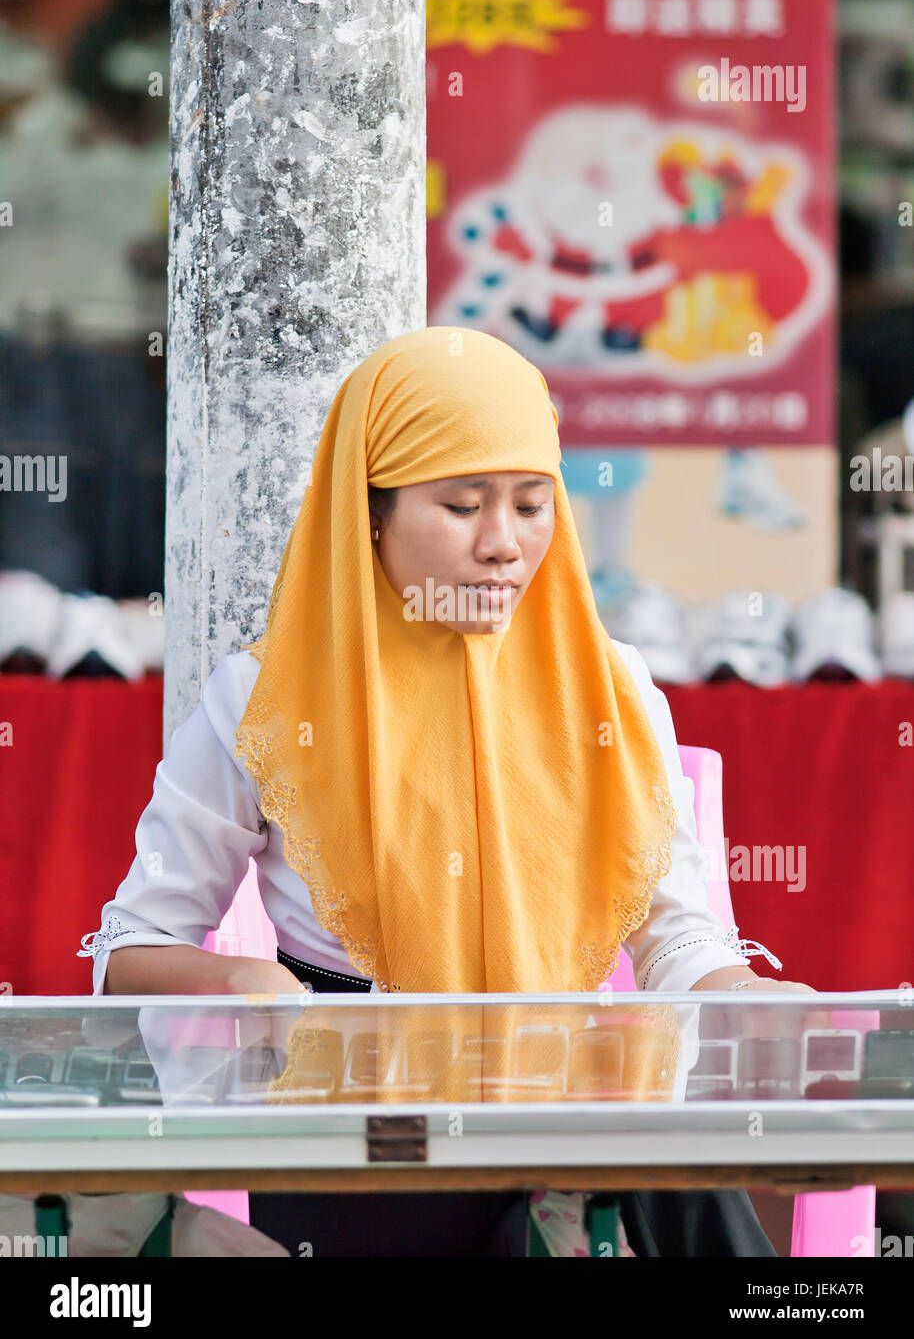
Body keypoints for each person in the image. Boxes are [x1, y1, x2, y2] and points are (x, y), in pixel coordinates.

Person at [80, 326, 814, 1256]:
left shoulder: (614, 691)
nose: (505, 545)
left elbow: (675, 931)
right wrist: (235, 977)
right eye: (462, 505)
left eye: (533, 504)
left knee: (650, 1172)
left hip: (558, 1115)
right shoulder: (263, 704)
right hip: (351, 1127)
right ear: (370, 514)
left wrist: (745, 996)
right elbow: (131, 945)